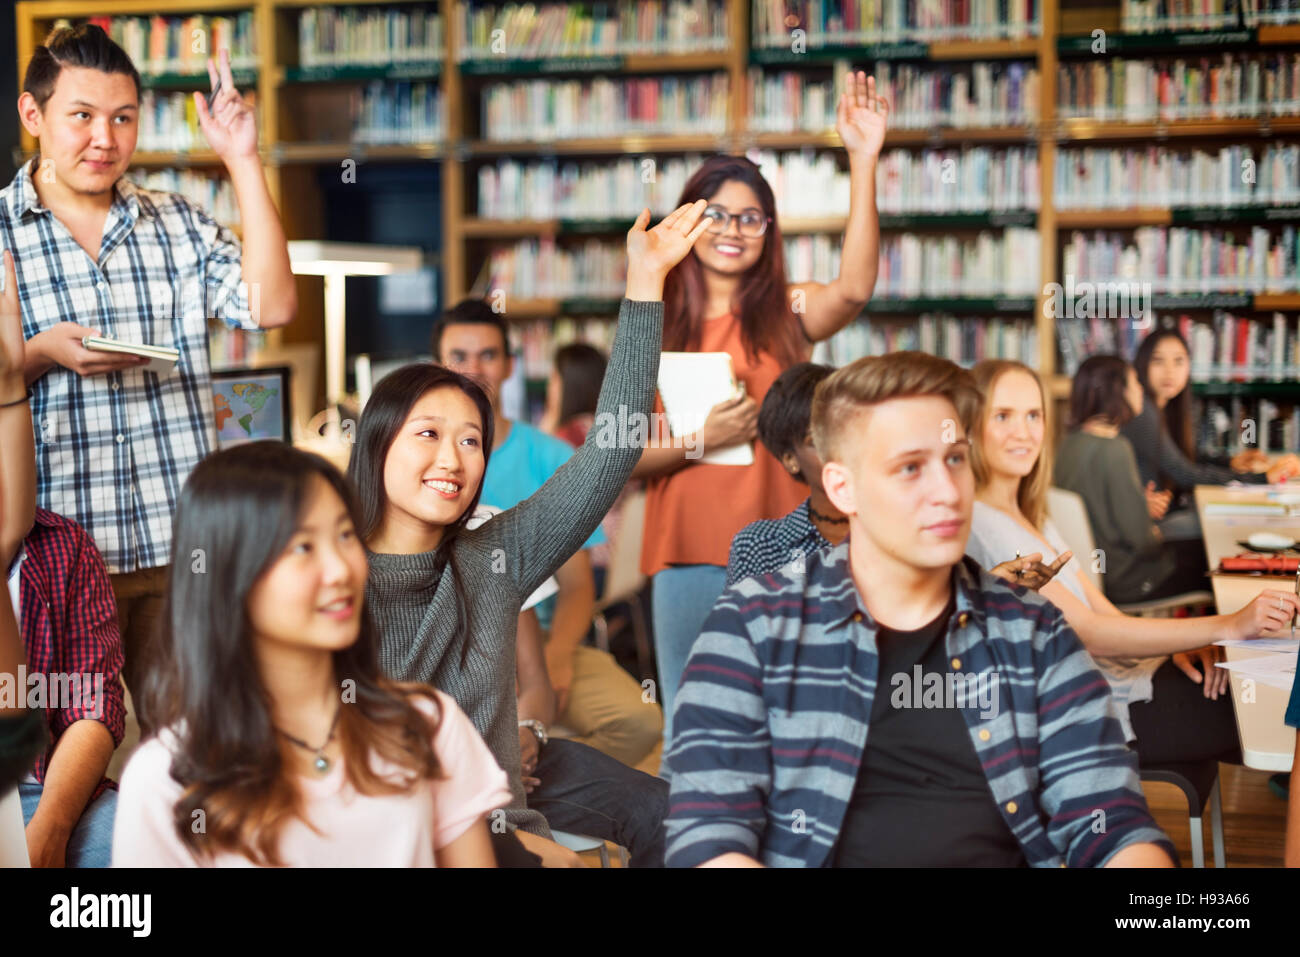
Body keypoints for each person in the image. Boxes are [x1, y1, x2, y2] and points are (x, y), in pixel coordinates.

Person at [665, 352, 1176, 867]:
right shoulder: (751, 627)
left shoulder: (1035, 633)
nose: (947, 492)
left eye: (955, 459)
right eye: (910, 467)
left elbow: (1111, 822)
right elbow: (709, 836)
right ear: (843, 488)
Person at [353, 202, 708, 865]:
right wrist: (519, 845)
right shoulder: (333, 577)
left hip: (515, 783)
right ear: (376, 446)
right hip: (415, 833)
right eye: (429, 434)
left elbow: (609, 454)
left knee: (679, 817)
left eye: (470, 441)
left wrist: (645, 281)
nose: (454, 459)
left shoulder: (492, 552)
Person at [1, 25, 297, 711]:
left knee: (200, 755)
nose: (105, 139)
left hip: (180, 550)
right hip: (58, 560)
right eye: (81, 116)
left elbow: (273, 303)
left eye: (123, 118)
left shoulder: (178, 221)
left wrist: (244, 161)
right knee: (61, 772)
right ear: (32, 114)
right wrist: (41, 353)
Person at [636, 73, 889, 742]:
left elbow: (857, 287)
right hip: (689, 554)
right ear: (689, 219)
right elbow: (616, 448)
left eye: (750, 217)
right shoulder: (651, 316)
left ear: (768, 230)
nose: (733, 230)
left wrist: (862, 160)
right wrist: (699, 437)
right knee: (693, 731)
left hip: (789, 547)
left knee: (792, 728)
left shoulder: (788, 311)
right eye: (717, 214)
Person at [112, 443, 508, 867]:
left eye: (344, 536)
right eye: (303, 547)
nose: (341, 570)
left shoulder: (427, 725)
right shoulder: (165, 780)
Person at [966, 358, 1299, 767]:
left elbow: (1099, 609)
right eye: (1002, 416)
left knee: (1274, 679)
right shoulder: (986, 527)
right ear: (969, 424)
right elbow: (1091, 634)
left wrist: (1166, 651)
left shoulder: (1030, 512)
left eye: (1033, 415)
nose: (1023, 432)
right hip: (1098, 711)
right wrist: (1227, 626)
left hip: (1127, 681)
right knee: (1277, 694)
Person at [432, 301, 660, 767]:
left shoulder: (550, 454)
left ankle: (531, 782)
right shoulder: (419, 463)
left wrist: (556, 657)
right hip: (452, 652)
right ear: (436, 363)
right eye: (459, 355)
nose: (474, 368)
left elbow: (578, 586)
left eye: (489, 355)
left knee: (640, 722)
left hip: (545, 637)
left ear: (512, 364)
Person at [0, 250, 126, 868]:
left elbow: (94, 707)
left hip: (46, 793)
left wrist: (49, 827)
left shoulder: (63, 547)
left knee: (136, 847)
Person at [1054, 355, 1215, 605]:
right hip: (1130, 581)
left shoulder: (1069, 444)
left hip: (1094, 573)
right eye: (1135, 383)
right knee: (1211, 558)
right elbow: (1143, 543)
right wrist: (1149, 526)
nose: (1141, 390)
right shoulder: (1115, 449)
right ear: (1117, 393)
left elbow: (1096, 509)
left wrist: (1139, 506)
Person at [1122, 327, 1300, 541]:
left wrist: (1230, 462)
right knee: (1227, 524)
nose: (1170, 371)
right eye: (1158, 361)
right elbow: (1185, 473)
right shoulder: (1144, 413)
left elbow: (1187, 457)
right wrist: (1262, 477)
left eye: (1179, 361)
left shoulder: (1163, 409)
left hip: (1162, 514)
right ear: (1142, 365)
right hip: (1148, 523)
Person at [725, 362, 843, 585]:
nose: (840, 450)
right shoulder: (760, 546)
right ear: (790, 459)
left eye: (846, 433)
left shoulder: (894, 529)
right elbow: (744, 620)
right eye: (816, 442)